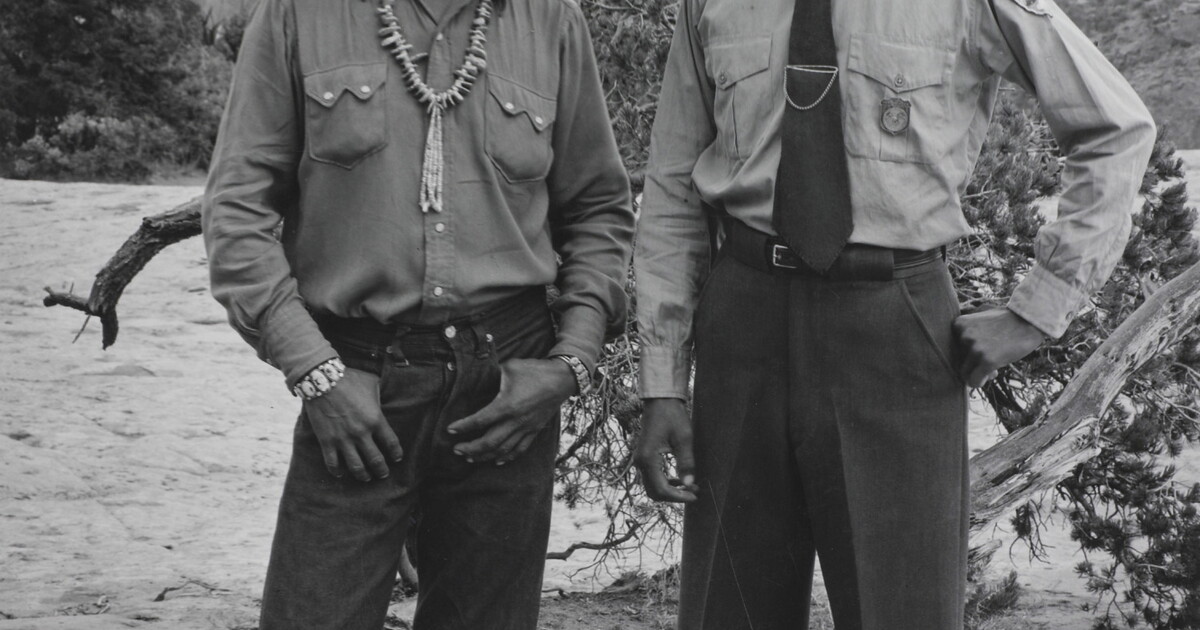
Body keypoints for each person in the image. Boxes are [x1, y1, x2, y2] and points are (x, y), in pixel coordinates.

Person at [632, 0, 1155, 627]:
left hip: (894, 326)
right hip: (743, 323)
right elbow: (671, 183)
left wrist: (1037, 309)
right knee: (730, 609)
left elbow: (1116, 127)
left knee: (901, 612)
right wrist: (662, 380)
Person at [201, 0, 634, 626]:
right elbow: (238, 212)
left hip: (509, 395)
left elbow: (597, 209)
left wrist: (571, 361)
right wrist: (315, 370)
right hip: (356, 392)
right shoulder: (298, 15)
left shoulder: (553, 22)